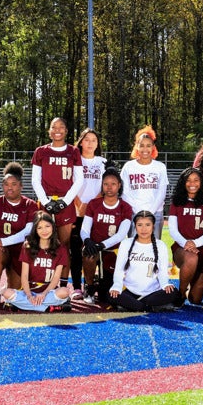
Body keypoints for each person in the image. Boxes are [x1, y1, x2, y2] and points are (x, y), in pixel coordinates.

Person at [0, 162, 39, 307]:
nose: (9, 187)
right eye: (6, 184)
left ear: (21, 186)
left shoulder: (30, 205)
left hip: (20, 251)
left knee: (14, 294)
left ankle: (7, 289)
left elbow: (28, 231)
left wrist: (3, 242)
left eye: (14, 184)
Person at [31, 117, 83, 289]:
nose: (58, 130)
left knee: (63, 246)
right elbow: (35, 180)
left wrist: (65, 201)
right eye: (54, 127)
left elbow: (78, 180)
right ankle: (42, 282)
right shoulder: (41, 151)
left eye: (62, 126)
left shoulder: (73, 151)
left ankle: (61, 285)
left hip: (65, 204)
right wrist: (46, 201)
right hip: (46, 203)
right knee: (42, 244)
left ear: (66, 131)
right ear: (49, 131)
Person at [79, 165, 133, 304]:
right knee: (88, 254)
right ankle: (89, 286)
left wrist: (102, 245)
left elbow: (121, 234)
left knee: (105, 297)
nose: (109, 187)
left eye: (113, 184)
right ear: (102, 186)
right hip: (94, 248)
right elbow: (85, 228)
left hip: (112, 251)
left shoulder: (125, 207)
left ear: (119, 185)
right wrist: (87, 241)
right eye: (106, 184)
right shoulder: (94, 204)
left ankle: (101, 283)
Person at [109, 210, 178, 312]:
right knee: (111, 295)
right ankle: (148, 307)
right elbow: (119, 270)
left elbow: (162, 272)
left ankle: (134, 305)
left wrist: (165, 285)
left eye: (147, 225)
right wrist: (117, 286)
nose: (144, 229)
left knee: (174, 292)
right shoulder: (126, 244)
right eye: (140, 225)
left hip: (152, 292)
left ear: (153, 226)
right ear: (135, 226)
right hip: (130, 290)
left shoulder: (160, 245)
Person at [2, 211, 71, 313]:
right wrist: (29, 296)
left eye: (47, 226)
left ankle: (22, 306)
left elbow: (56, 278)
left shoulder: (60, 249)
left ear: (53, 227)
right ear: (35, 230)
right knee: (6, 292)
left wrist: (44, 294)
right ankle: (48, 308)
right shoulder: (28, 246)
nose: (44, 230)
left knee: (64, 291)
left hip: (49, 292)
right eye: (40, 228)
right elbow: (24, 276)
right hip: (30, 292)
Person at [169, 168, 203, 305]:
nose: (192, 183)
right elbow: (173, 229)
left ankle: (190, 287)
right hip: (182, 248)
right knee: (191, 258)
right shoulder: (177, 202)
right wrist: (186, 244)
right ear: (183, 183)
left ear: (201, 182)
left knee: (196, 299)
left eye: (196, 180)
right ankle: (180, 293)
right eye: (188, 180)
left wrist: (195, 243)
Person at [70, 128, 106, 300]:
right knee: (76, 250)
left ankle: (93, 284)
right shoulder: (74, 161)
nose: (90, 143)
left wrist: (90, 206)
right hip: (76, 211)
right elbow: (68, 184)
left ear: (98, 144)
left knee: (94, 249)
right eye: (87, 139)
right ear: (81, 142)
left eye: (94, 140)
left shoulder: (103, 162)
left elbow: (106, 187)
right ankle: (77, 287)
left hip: (96, 213)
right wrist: (79, 204)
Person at [120, 126, 169, 238]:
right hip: (134, 213)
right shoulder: (128, 167)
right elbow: (124, 192)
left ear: (153, 147)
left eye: (148, 145)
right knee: (134, 250)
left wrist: (149, 212)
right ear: (136, 147)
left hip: (155, 213)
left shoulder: (160, 167)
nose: (145, 149)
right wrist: (139, 212)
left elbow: (161, 193)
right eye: (141, 145)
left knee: (154, 248)